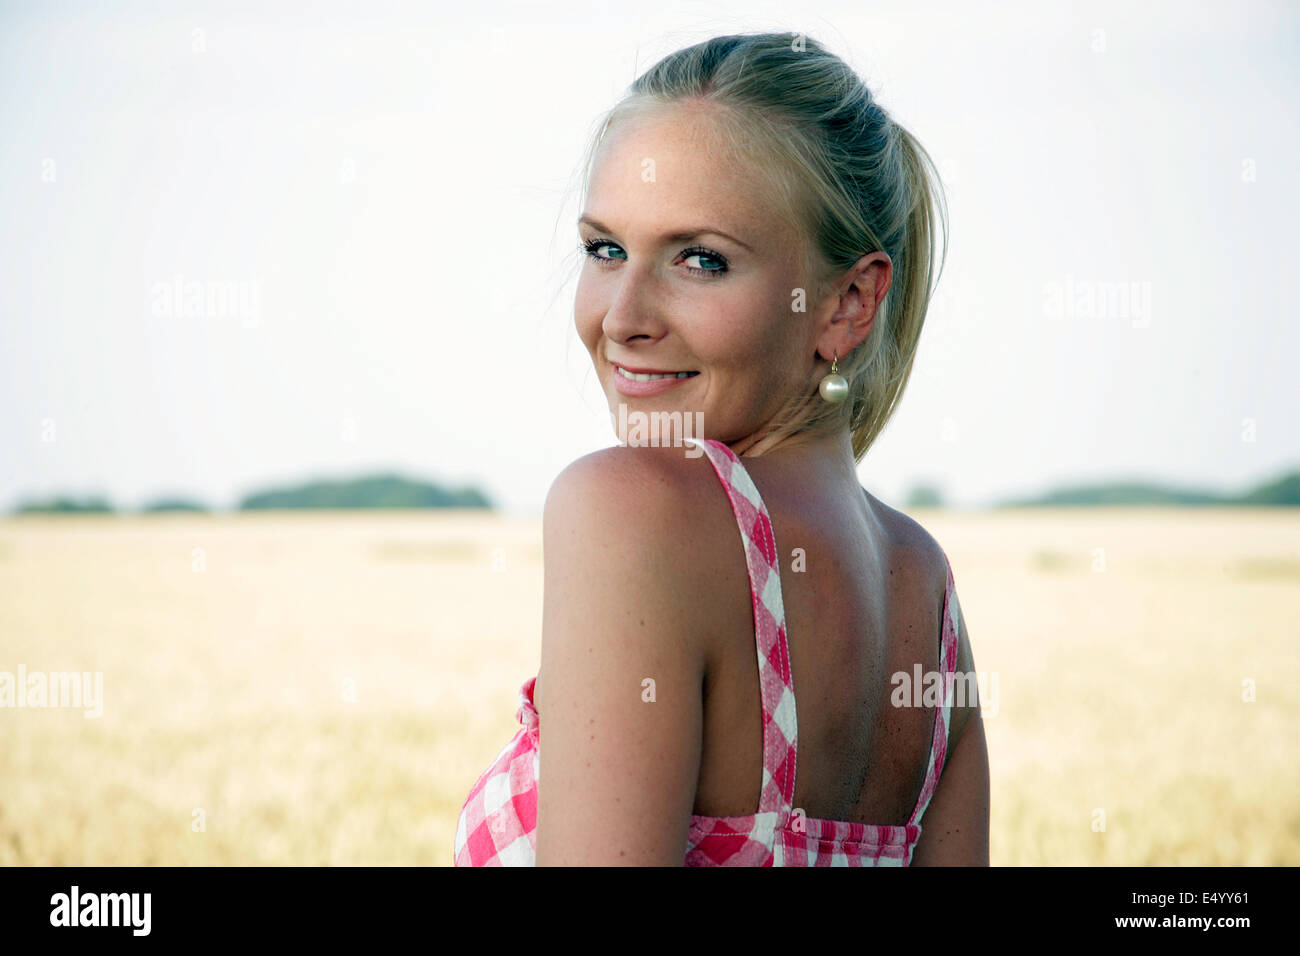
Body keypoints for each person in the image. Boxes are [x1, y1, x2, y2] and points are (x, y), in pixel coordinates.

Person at [454, 31, 989, 866]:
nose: (623, 315)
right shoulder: (926, 588)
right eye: (606, 250)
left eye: (700, 260)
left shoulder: (630, 509)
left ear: (848, 303)